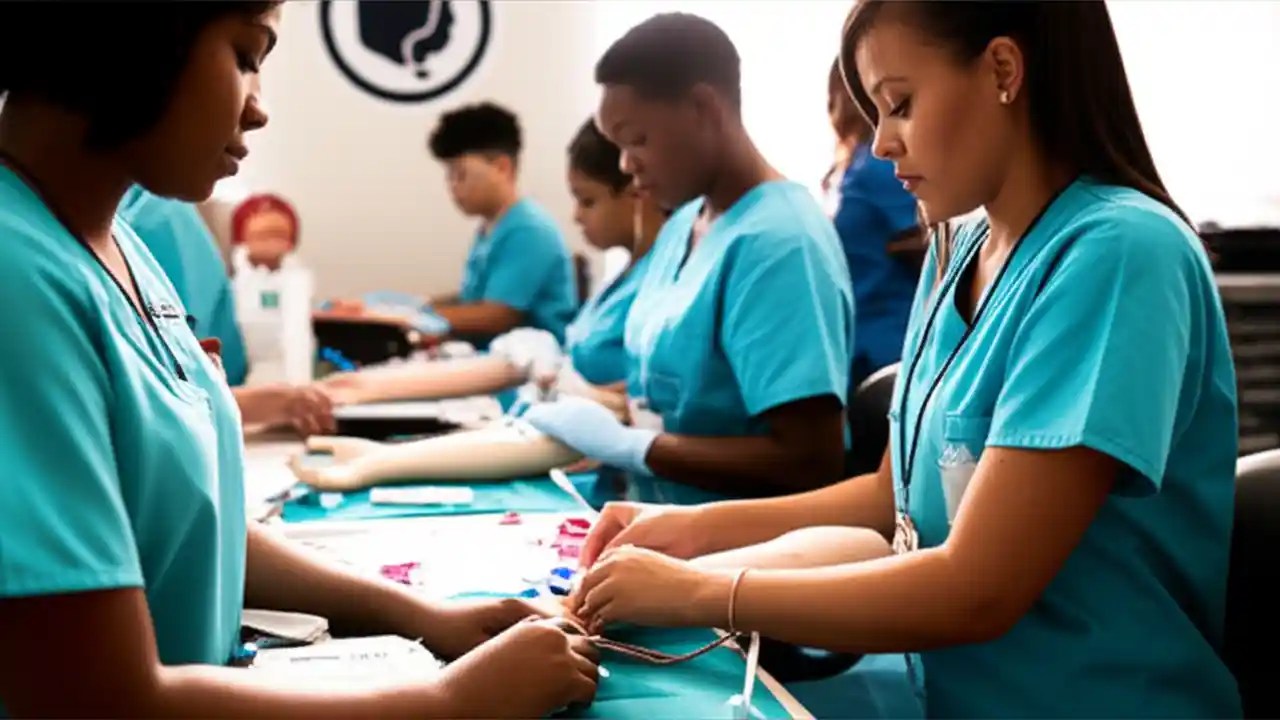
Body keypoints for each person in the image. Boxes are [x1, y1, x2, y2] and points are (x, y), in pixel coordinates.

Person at [561, 2, 1241, 718]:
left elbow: (977, 589)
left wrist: (700, 592)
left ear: (1004, 70)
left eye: (899, 105)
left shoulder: (1118, 253)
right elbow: (895, 500)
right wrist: (694, 530)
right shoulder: (960, 251)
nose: (881, 144)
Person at [0, 3, 596, 717]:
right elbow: (97, 697)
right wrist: (449, 703)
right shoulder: (16, 279)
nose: (259, 111)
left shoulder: (116, 245)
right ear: (131, 35)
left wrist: (423, 615)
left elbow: (192, 528)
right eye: (246, 55)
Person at [522, 13, 857, 505]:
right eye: (617, 146)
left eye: (637, 140)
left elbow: (807, 461)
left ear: (703, 107)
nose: (625, 164)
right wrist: (591, 402)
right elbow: (682, 387)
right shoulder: (685, 223)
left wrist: (635, 446)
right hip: (643, 513)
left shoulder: (779, 243)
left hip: (727, 554)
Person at [119, 186, 336, 436]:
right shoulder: (154, 218)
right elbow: (154, 404)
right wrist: (264, 404)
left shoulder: (166, 215)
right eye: (264, 234)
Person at [427, 102, 577, 345]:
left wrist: (414, 318)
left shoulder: (528, 229)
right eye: (449, 176)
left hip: (532, 370)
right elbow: (474, 300)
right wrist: (423, 305)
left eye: (460, 174)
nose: (452, 186)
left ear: (501, 168)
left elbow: (498, 315)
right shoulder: (491, 227)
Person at [824, 57, 922, 389]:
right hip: (860, 340)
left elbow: (924, 240)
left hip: (887, 344)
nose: (829, 112)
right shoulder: (851, 170)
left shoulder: (879, 168)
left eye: (833, 99)